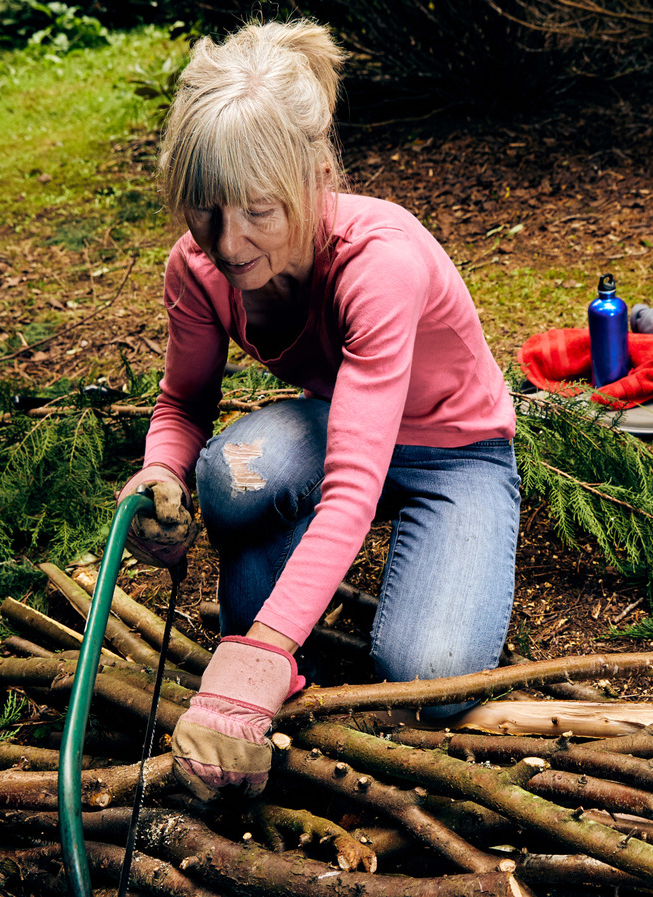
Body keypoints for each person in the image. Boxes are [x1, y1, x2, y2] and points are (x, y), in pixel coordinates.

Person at [117, 19, 520, 799]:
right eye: (205, 210)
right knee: (229, 474)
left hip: (455, 452)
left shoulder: (379, 263)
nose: (229, 243)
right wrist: (161, 471)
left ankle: (269, 643)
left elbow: (352, 486)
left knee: (430, 677)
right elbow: (182, 401)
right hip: (343, 420)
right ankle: (276, 647)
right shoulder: (196, 268)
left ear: (317, 178)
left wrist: (256, 658)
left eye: (259, 211)